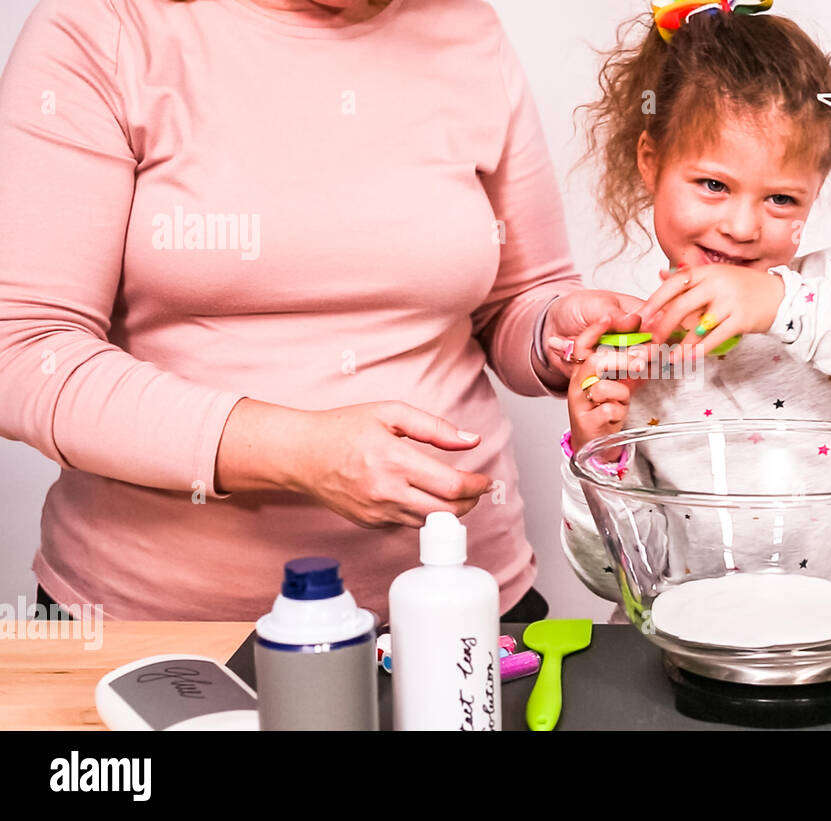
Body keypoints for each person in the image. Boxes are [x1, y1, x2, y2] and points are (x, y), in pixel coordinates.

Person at [0, 0, 643, 622]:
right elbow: (24, 351)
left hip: (466, 606)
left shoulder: (467, 26)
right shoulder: (104, 25)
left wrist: (556, 332)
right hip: (163, 626)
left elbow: (514, 299)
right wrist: (298, 451)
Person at [553, 1, 831, 619]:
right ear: (651, 162)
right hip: (687, 647)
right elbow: (610, 580)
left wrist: (783, 304)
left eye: (781, 198)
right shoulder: (636, 357)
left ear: (814, 194)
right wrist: (597, 455)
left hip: (830, 638)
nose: (743, 226)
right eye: (714, 185)